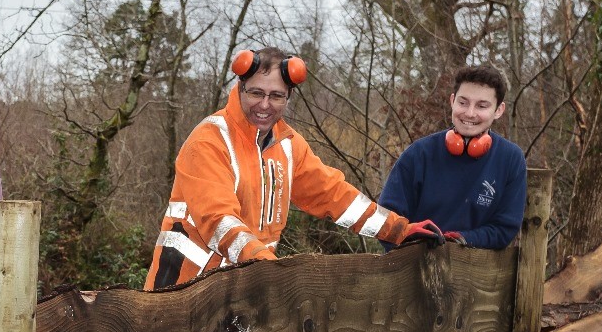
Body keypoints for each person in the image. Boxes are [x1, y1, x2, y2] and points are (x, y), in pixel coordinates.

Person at [145, 47, 442, 290]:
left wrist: (399, 229)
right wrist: (268, 268)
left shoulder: (288, 146)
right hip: (181, 287)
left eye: (276, 96)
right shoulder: (209, 140)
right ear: (239, 89)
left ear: (288, 98)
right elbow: (217, 219)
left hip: (242, 288)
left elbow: (334, 195)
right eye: (255, 93)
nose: (265, 104)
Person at [377, 65, 527, 250]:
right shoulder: (418, 154)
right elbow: (385, 221)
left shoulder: (510, 158)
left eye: (482, 105)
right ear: (452, 101)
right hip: (412, 266)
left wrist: (457, 240)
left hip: (478, 273)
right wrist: (417, 241)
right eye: (463, 102)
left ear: (498, 110)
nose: (470, 113)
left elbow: (504, 229)